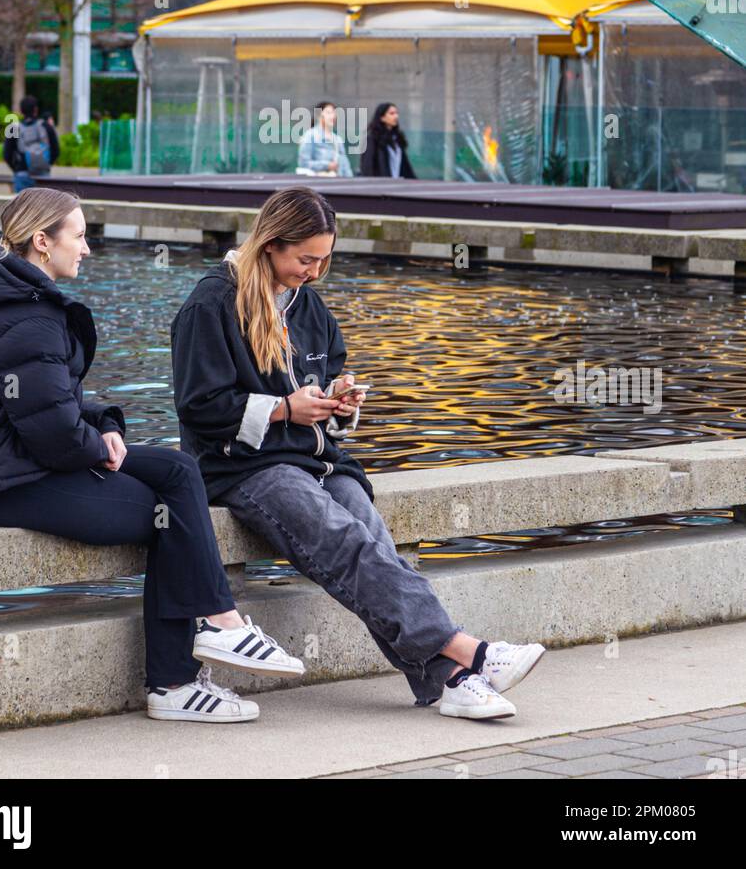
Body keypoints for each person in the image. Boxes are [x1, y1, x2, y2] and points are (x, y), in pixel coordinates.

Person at [0, 187, 306, 725]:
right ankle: (181, 675)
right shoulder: (24, 315)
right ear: (41, 241)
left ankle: (219, 630)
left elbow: (50, 396)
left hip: (16, 458)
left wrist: (102, 420)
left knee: (178, 469)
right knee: (169, 508)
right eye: (78, 236)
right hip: (2, 478)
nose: (86, 249)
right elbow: (53, 433)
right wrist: (95, 448)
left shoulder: (10, 297)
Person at [171, 185, 546, 718]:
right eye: (306, 259)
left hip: (318, 458)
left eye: (324, 259)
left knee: (374, 542)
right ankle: (471, 654)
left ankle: (449, 682)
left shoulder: (309, 304)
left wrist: (340, 400)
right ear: (271, 245)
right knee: (347, 542)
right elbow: (198, 408)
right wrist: (282, 409)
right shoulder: (209, 304)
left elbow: (324, 382)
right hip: (244, 466)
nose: (315, 271)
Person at [3, 95, 60, 193]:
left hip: (22, 173)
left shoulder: (13, 127)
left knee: (22, 207)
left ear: (21, 110)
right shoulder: (46, 126)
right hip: (43, 174)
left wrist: (17, 168)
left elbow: (6, 154)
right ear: (36, 109)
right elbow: (56, 150)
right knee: (43, 206)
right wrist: (46, 164)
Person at [296, 100, 353, 177]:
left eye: (334, 113)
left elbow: (345, 166)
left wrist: (351, 183)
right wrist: (327, 165)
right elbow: (303, 163)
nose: (333, 116)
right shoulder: (310, 136)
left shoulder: (337, 139)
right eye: (328, 113)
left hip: (338, 183)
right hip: (318, 184)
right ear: (319, 115)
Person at [360, 102, 417, 179]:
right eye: (391, 113)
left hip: (397, 184)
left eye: (396, 113)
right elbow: (367, 166)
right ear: (382, 117)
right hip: (380, 186)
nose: (396, 116)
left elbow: (405, 167)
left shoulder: (396, 139)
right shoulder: (372, 139)